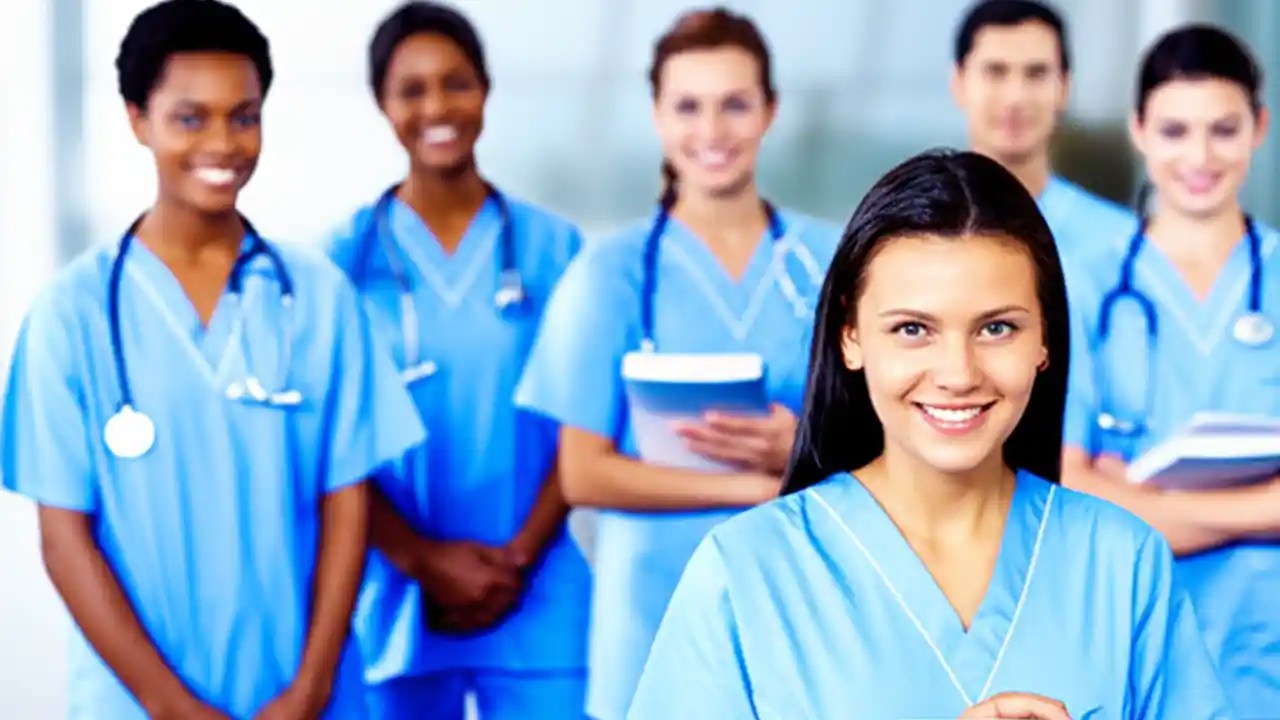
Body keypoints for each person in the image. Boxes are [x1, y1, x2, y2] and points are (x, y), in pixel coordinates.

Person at [625, 149, 1234, 720]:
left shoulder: (1121, 564)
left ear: (1045, 338)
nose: (958, 375)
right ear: (851, 335)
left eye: (996, 328)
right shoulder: (748, 572)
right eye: (914, 329)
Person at [0, 1, 425, 718]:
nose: (224, 144)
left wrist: (313, 687)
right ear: (138, 118)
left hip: (305, 694)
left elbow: (346, 504)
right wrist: (171, 707)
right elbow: (64, 537)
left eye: (244, 115)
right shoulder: (70, 317)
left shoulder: (318, 298)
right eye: (190, 118)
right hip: (137, 703)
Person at [513, 8, 840, 720]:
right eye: (688, 106)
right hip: (649, 619)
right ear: (658, 117)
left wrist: (808, 446)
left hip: (797, 604)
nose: (712, 130)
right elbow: (583, 471)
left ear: (770, 112)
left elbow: (891, 431)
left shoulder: (830, 261)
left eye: (735, 104)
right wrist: (756, 486)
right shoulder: (612, 273)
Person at [322, 3, 591, 718]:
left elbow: (586, 419)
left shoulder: (556, 251)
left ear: (485, 89)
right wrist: (420, 559)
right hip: (397, 597)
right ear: (383, 103)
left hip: (538, 592)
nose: (437, 106)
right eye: (411, 89)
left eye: (456, 82)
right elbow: (326, 441)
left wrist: (518, 559)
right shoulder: (339, 264)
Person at [1060, 24, 1280, 717]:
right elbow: (1067, 485)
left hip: (1265, 641)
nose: (1200, 156)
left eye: (1223, 129)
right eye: (1176, 130)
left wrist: (1148, 507)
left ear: (1259, 128)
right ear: (1139, 131)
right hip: (1130, 631)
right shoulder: (1085, 286)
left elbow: (1105, 494)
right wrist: (1263, 509)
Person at [950, 0, 1133, 259]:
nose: (1015, 97)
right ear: (959, 83)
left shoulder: (1122, 244)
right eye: (995, 71)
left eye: (1036, 73)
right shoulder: (914, 236)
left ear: (1065, 88)